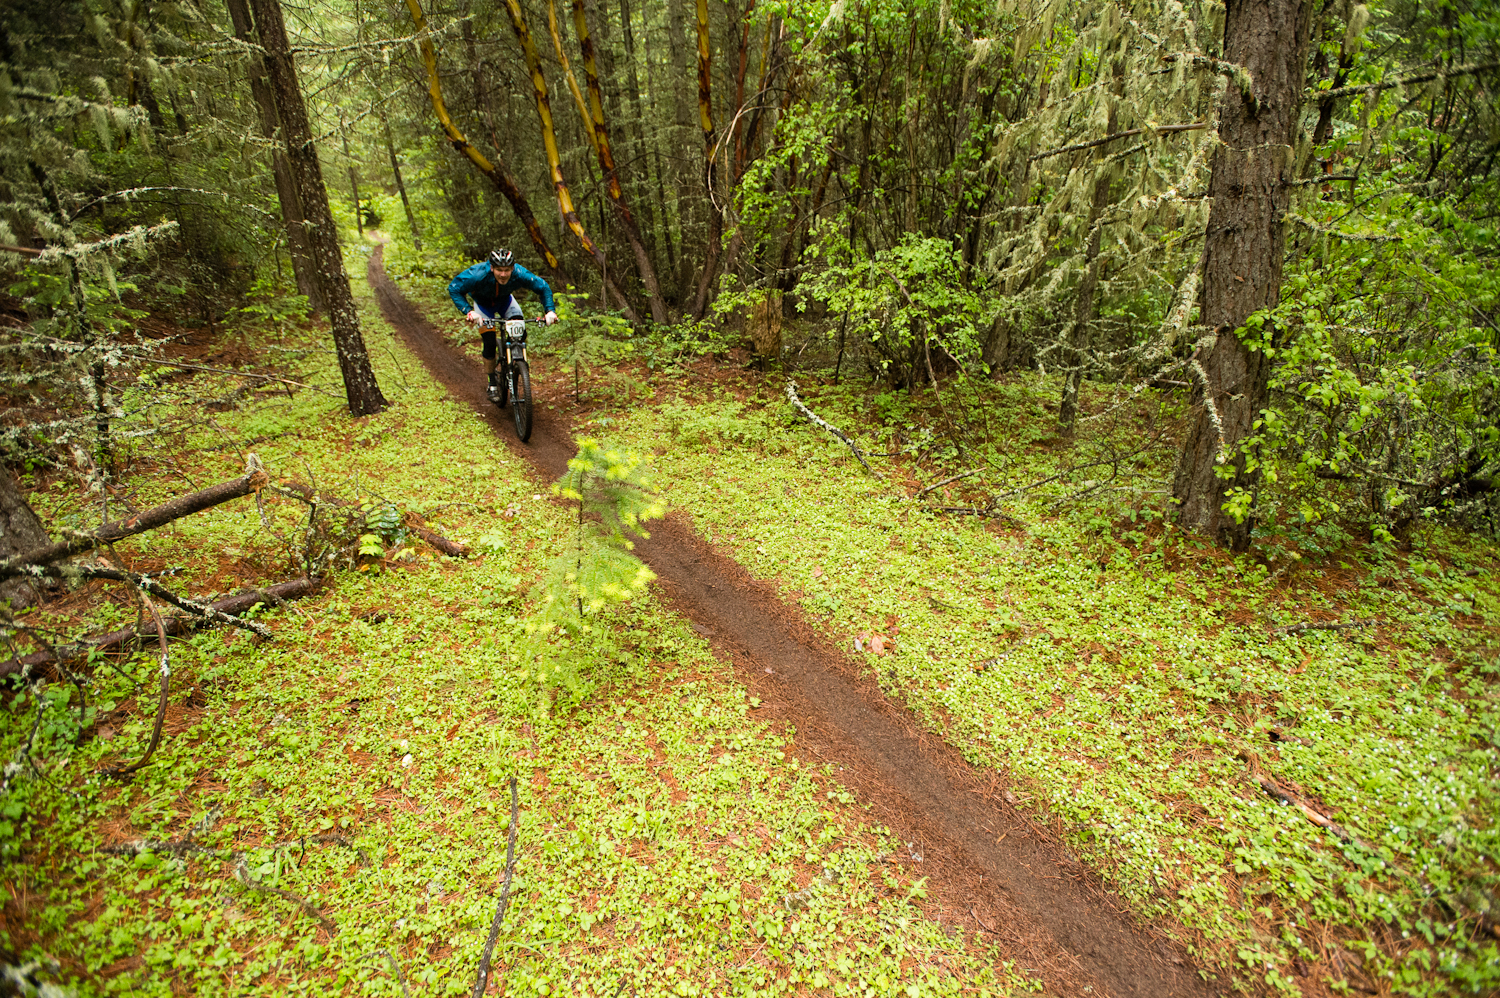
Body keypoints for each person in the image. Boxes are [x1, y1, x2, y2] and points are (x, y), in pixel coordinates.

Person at [448, 248, 558, 402]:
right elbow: (454, 288)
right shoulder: (477, 274)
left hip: (506, 302)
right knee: (489, 342)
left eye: (507, 270)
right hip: (483, 306)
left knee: (520, 333)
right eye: (499, 270)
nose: (503, 274)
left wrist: (550, 311)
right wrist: (468, 311)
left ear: (513, 268)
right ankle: (492, 382)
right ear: (491, 268)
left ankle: (516, 364)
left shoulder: (519, 273)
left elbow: (543, 287)